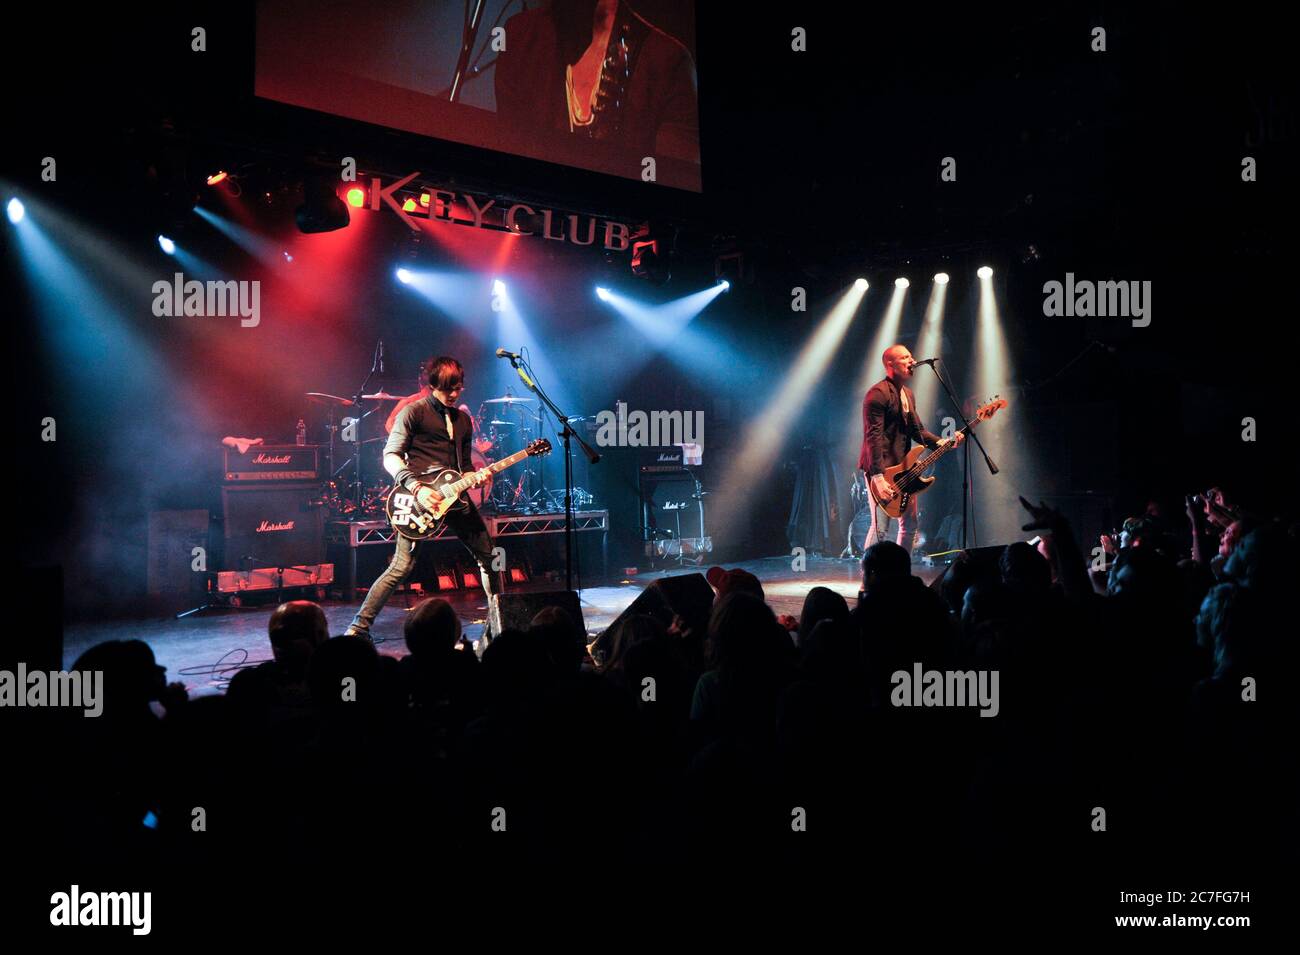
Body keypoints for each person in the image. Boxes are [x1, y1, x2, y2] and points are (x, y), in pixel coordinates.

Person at [345, 357, 499, 640]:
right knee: (402, 566)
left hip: (456, 498)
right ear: (431, 386)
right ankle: (358, 627)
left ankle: (500, 622)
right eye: (446, 389)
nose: (453, 394)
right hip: (420, 499)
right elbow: (390, 456)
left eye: (458, 388)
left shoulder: (463, 419)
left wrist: (477, 475)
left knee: (490, 556)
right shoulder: (413, 412)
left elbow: (464, 464)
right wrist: (417, 488)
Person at [858, 345, 963, 554]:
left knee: (909, 526)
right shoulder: (877, 394)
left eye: (911, 356)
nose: (912, 360)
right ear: (890, 364)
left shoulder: (907, 394)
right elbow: (873, 437)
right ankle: (868, 581)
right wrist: (877, 478)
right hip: (881, 470)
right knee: (881, 529)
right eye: (905, 357)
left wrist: (941, 442)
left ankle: (900, 573)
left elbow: (918, 431)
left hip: (904, 469)